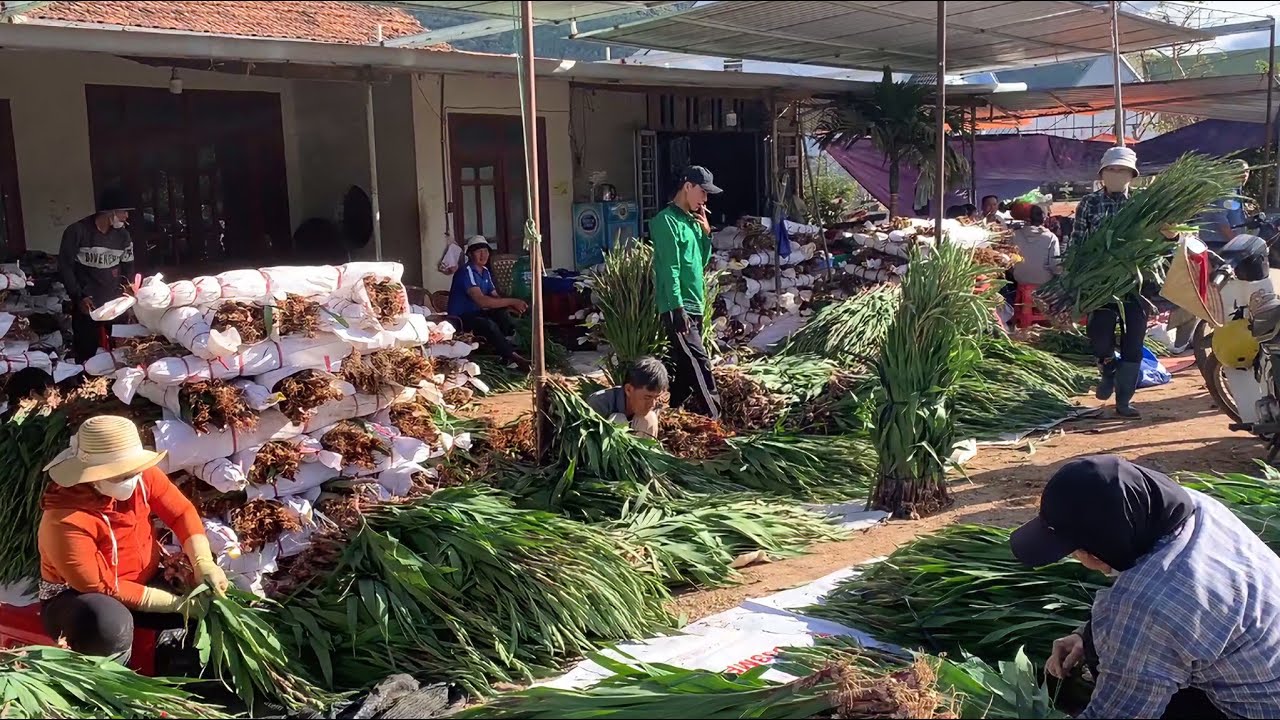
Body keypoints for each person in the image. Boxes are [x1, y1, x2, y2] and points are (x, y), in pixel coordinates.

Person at [1011, 455, 1280, 719]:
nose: (1078, 558)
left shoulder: (1147, 604)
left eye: (1077, 550)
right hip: (1263, 661)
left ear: (1104, 545)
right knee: (1105, 640)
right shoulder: (1189, 507)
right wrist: (1086, 636)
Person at [38, 415, 229, 659]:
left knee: (213, 599)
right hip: (80, 599)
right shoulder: (65, 519)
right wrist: (177, 605)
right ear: (92, 475)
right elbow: (101, 585)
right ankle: (109, 685)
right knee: (108, 624)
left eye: (133, 471)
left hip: (141, 581)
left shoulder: (142, 477)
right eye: (119, 475)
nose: (132, 479)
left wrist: (203, 562)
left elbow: (181, 513)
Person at [1070, 147, 1150, 418]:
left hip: (1134, 283)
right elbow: (1077, 243)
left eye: (1122, 170)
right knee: (1099, 336)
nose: (1117, 174)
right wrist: (1074, 276)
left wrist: (1171, 236)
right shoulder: (1089, 204)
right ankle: (1107, 368)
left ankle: (1124, 401)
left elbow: (1161, 243)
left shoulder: (1144, 204)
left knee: (1134, 342)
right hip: (1100, 283)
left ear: (1132, 175)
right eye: (1112, 170)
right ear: (1103, 174)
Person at [651, 166, 721, 419]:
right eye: (702, 192)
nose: (705, 199)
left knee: (686, 365)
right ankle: (716, 414)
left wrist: (706, 235)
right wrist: (677, 308)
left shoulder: (692, 222)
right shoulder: (665, 221)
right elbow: (670, 268)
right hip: (677, 306)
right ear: (688, 187)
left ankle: (673, 412)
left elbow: (700, 262)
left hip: (695, 303)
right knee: (700, 361)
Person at [60, 188, 135, 364]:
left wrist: (129, 295)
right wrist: (79, 296)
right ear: (109, 212)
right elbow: (65, 267)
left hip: (116, 303)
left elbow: (128, 267)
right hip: (88, 303)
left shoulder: (123, 235)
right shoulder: (77, 232)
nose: (126, 217)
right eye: (123, 212)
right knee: (87, 353)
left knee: (122, 352)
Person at [447, 236, 530, 371]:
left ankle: (509, 350)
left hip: (477, 313)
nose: (483, 255)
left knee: (502, 314)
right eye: (478, 251)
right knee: (488, 325)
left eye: (485, 251)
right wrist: (513, 301)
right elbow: (482, 301)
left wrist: (512, 306)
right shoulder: (466, 271)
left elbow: (495, 296)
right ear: (470, 254)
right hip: (461, 318)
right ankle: (513, 357)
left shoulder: (485, 272)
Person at [587, 356, 668, 439]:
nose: (652, 404)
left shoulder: (651, 404)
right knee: (618, 420)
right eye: (647, 397)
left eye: (656, 397)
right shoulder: (598, 403)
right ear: (628, 389)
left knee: (649, 418)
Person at [1197, 159, 1250, 246]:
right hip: (1218, 243)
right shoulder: (1226, 190)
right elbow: (1219, 218)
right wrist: (1235, 241)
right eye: (1240, 171)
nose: (1244, 174)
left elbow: (1230, 212)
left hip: (1225, 242)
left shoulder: (1235, 190)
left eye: (1247, 171)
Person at [1010, 206, 1062, 287]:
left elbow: (1009, 260)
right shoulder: (1051, 237)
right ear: (1043, 219)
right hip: (1043, 285)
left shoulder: (1014, 235)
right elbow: (1055, 266)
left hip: (1020, 282)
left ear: (1026, 219)